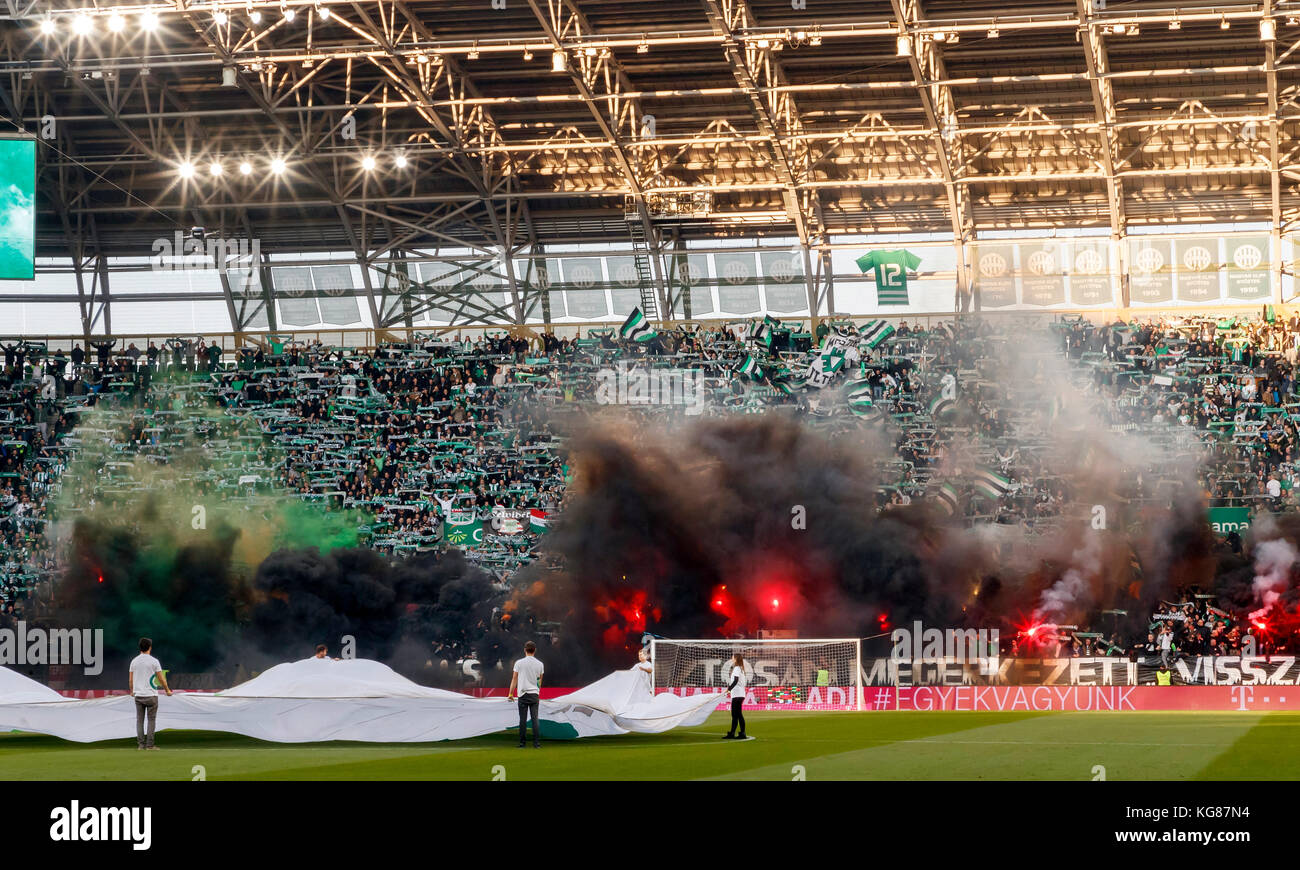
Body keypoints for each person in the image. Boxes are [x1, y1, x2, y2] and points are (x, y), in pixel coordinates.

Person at [128, 637, 172, 750]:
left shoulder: (134, 661)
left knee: (139, 720)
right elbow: (161, 679)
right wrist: (167, 690)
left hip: (138, 695)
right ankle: (150, 745)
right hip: (151, 695)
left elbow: (131, 680)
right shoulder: (154, 661)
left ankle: (141, 745)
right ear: (150, 648)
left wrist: (132, 691)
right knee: (151, 720)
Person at [507, 640, 544, 748]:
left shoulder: (519, 663)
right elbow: (539, 681)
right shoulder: (540, 664)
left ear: (525, 650)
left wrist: (510, 694)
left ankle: (522, 743)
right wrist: (537, 691)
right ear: (535, 650)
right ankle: (536, 743)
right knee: (535, 719)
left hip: (522, 694)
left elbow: (514, 679)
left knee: (522, 720)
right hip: (534, 694)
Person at [722, 652, 748, 740]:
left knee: (736, 715)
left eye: (733, 657)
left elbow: (736, 680)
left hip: (737, 694)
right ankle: (735, 733)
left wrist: (729, 689)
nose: (732, 658)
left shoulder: (737, 668)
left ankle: (739, 733)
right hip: (740, 694)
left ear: (736, 658)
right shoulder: (741, 668)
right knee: (737, 714)